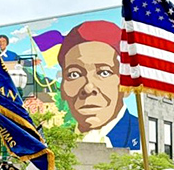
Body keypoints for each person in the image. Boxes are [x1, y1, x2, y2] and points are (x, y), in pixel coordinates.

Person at [58, 21, 140, 150]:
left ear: (126, 85)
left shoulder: (141, 135)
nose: (88, 88)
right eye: (74, 74)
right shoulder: (57, 142)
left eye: (104, 72)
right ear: (62, 88)